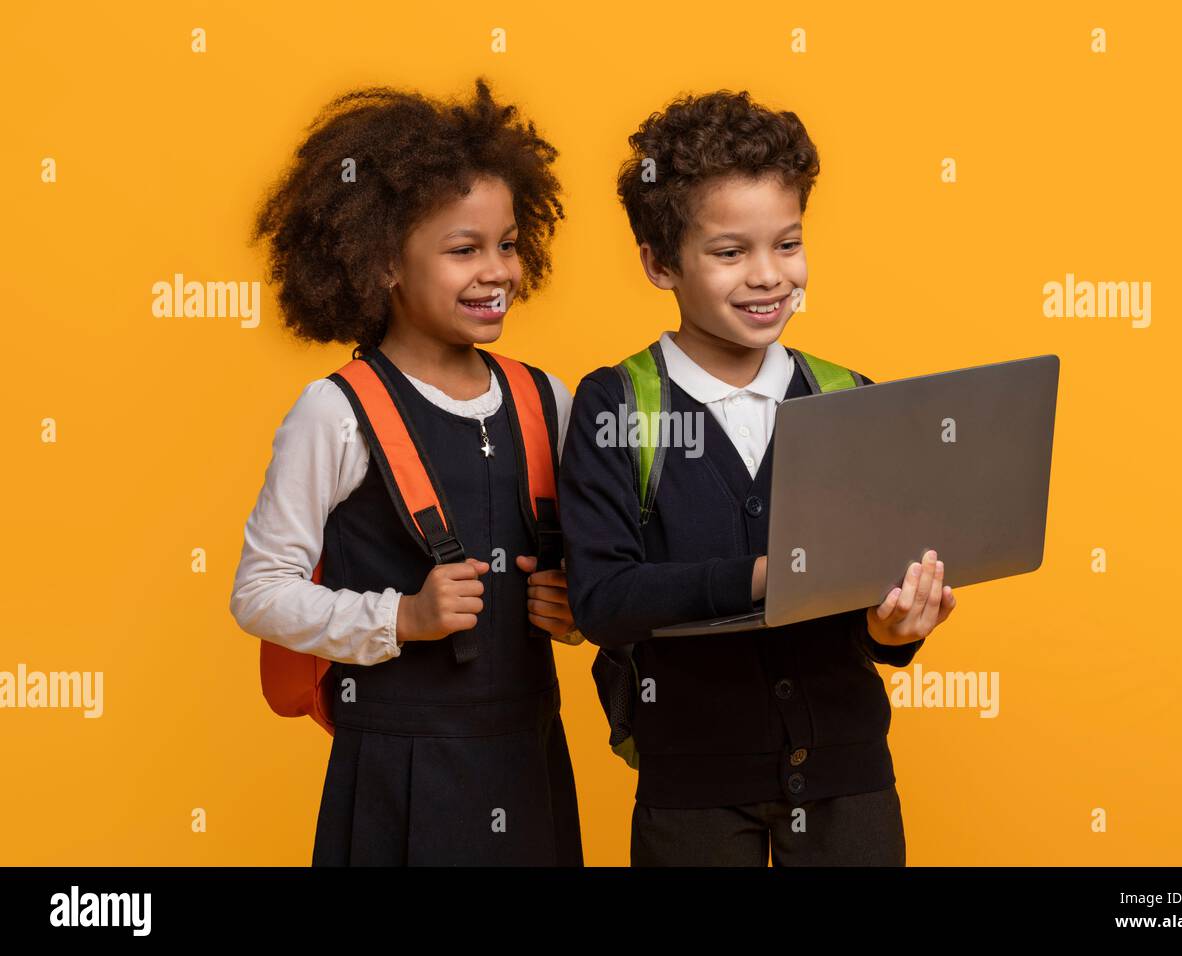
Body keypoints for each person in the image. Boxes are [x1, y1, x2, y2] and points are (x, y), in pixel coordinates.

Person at [559, 89, 957, 866]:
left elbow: (869, 594)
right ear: (660, 263)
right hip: (691, 790)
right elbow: (604, 601)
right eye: (731, 252)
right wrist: (765, 576)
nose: (770, 277)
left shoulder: (850, 398)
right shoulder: (617, 404)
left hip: (851, 778)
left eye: (788, 244)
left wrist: (893, 630)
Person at [230, 79, 583, 865]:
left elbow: (595, 563)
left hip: (529, 755)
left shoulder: (546, 399)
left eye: (508, 243)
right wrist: (400, 619)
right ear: (384, 261)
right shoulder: (335, 412)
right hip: (396, 769)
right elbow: (259, 593)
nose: (497, 271)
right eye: (464, 250)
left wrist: (575, 603)